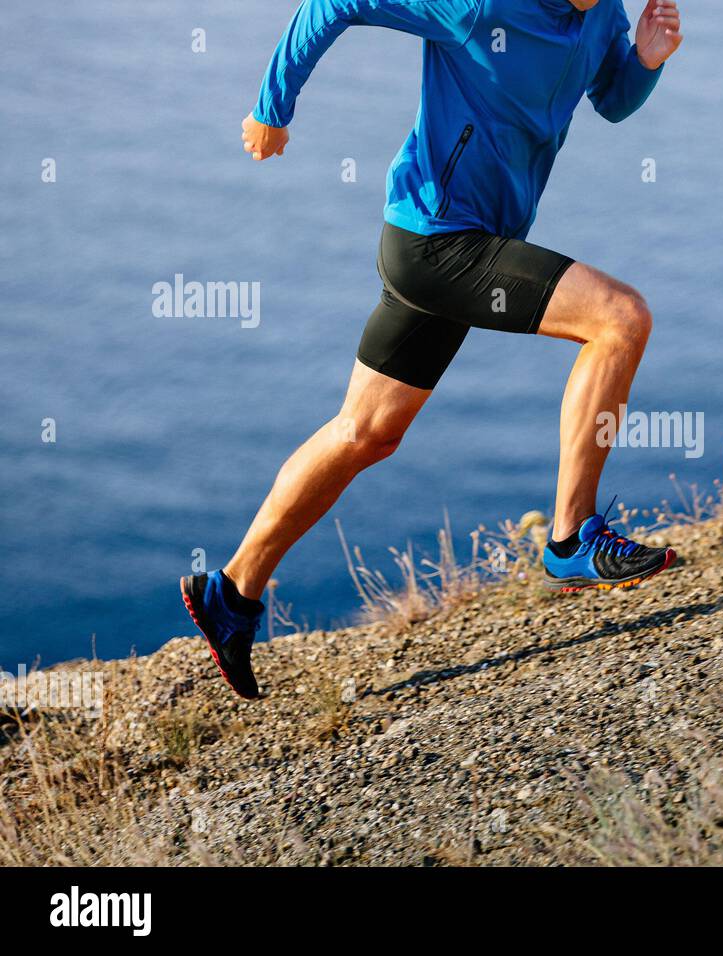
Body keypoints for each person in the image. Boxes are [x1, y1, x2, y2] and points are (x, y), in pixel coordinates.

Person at [181, 0, 684, 699]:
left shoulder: (602, 18)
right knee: (619, 319)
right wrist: (273, 106)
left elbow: (612, 99)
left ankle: (230, 593)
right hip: (436, 243)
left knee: (365, 432)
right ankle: (570, 537)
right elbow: (334, 3)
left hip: (465, 243)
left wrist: (646, 62)